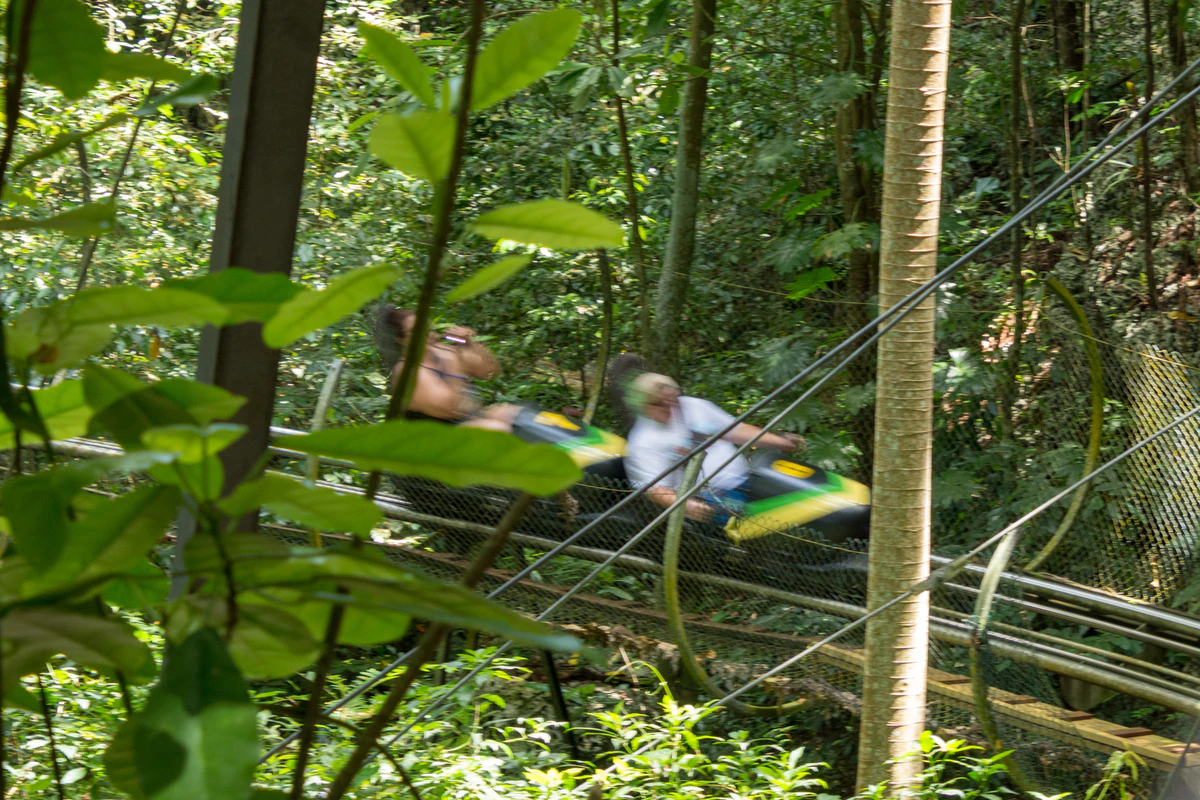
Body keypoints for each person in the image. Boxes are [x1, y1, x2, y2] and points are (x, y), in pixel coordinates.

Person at [624, 372, 804, 521]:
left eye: (673, 399)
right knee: (770, 523)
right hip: (715, 499)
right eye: (663, 403)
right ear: (646, 406)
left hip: (746, 480)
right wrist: (688, 506)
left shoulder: (692, 406)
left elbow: (736, 431)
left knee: (800, 499)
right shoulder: (643, 440)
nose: (671, 406)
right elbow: (654, 488)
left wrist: (782, 442)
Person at [375, 305, 519, 433]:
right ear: (401, 339)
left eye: (427, 329)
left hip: (468, 420)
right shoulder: (406, 371)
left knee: (517, 415)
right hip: (438, 437)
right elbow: (450, 408)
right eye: (418, 331)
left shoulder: (442, 350)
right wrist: (453, 364)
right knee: (498, 430)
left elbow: (489, 371)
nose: (428, 336)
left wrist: (470, 343)